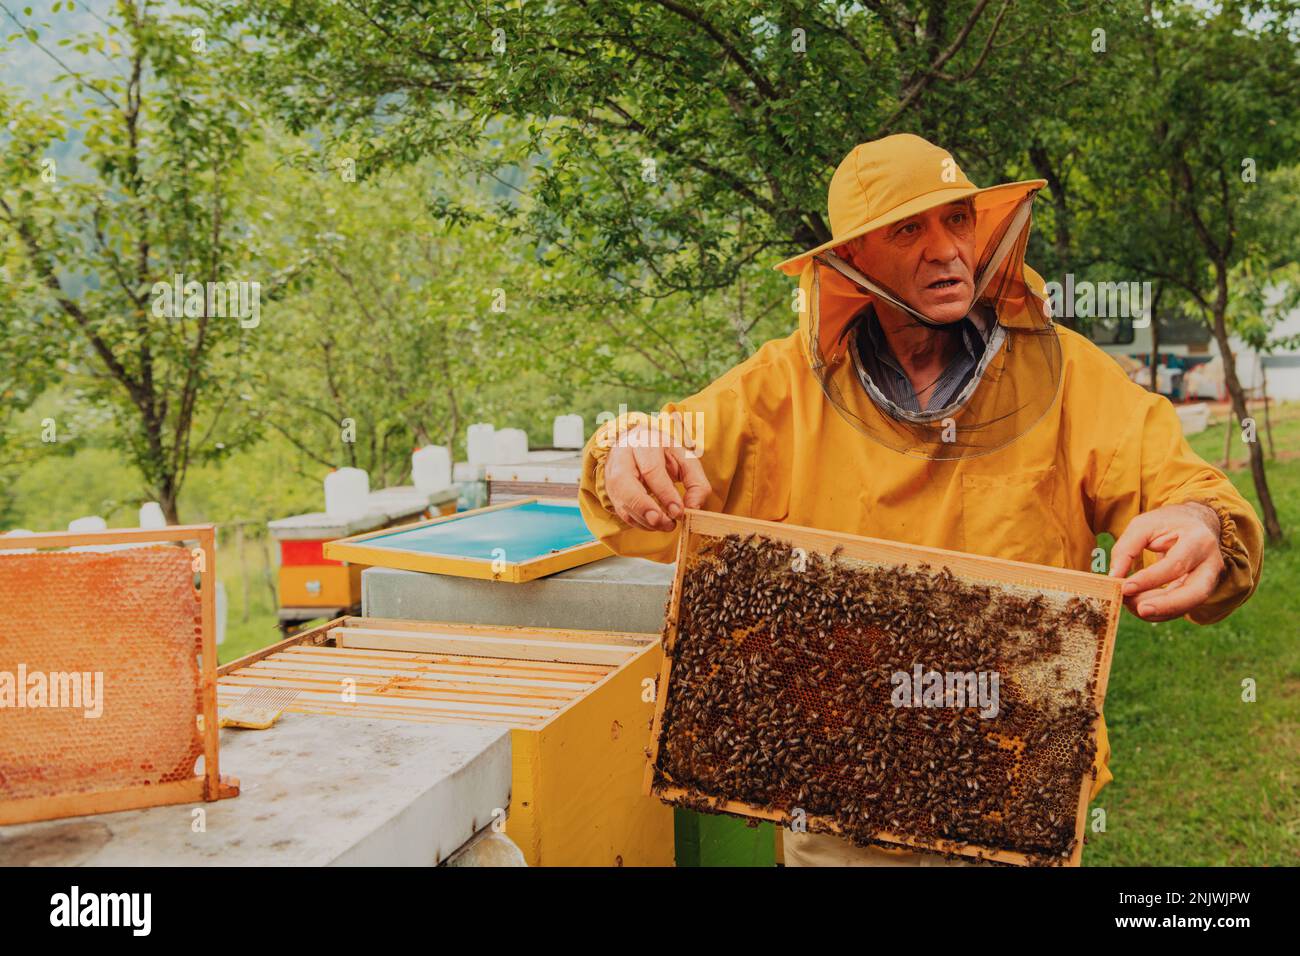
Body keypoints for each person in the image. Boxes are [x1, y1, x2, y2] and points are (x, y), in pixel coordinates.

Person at [577, 133, 1265, 866]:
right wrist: (625, 446)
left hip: (1014, 788)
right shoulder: (780, 389)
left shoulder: (1068, 376)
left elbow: (1183, 483)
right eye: (910, 229)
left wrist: (1198, 522)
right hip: (841, 807)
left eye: (959, 220)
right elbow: (661, 444)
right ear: (852, 262)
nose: (947, 250)